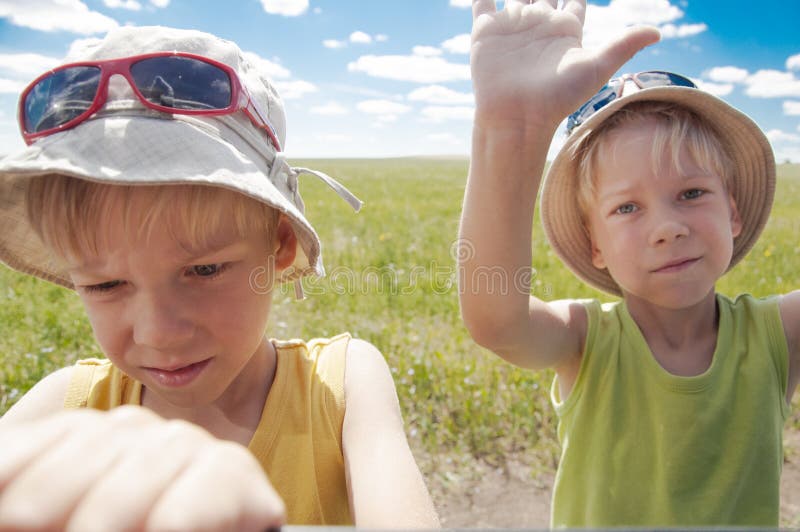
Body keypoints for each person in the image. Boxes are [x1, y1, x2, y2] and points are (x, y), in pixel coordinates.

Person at [0, 25, 439, 530]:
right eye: (104, 285)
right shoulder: (64, 408)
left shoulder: (342, 386)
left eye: (204, 269)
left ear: (279, 245)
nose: (158, 334)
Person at [459, 0, 800, 528]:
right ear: (594, 244)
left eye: (691, 193)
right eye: (627, 208)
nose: (668, 227)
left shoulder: (777, 336)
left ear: (732, 212)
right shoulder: (587, 341)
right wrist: (509, 129)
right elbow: (496, 321)